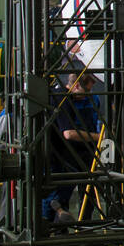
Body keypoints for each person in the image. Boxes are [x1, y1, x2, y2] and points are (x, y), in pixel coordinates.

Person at [42, 74, 101, 224]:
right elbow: (68, 133)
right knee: (57, 190)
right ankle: (50, 223)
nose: (87, 94)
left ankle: (60, 223)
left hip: (67, 152)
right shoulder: (62, 99)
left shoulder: (67, 97)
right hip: (56, 153)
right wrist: (100, 137)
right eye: (86, 90)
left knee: (66, 189)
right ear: (76, 85)